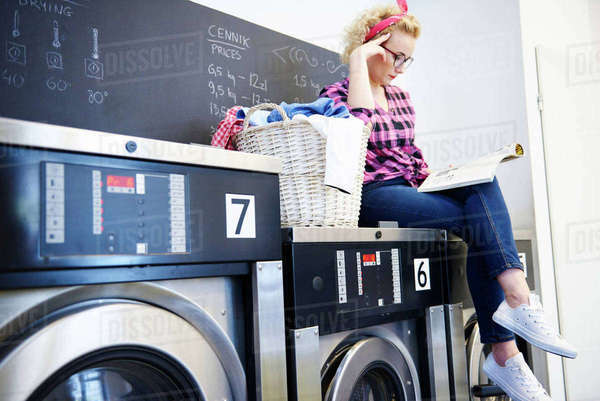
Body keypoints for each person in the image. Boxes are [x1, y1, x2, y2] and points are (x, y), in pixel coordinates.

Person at [318, 2, 577, 400]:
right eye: (395, 55)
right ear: (371, 44)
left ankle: (511, 326)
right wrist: (357, 63)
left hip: (408, 188)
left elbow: (411, 157)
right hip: (373, 195)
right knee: (479, 220)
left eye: (408, 59)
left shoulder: (401, 97)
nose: (401, 67)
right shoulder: (337, 93)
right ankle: (514, 320)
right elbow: (353, 146)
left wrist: (443, 176)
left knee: (481, 187)